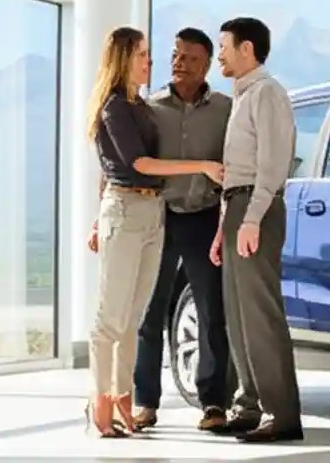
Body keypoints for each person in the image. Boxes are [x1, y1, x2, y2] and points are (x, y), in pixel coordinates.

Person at [83, 26, 224, 439]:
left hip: (154, 213)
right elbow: (137, 163)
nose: (155, 61)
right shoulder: (116, 106)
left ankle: (124, 397)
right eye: (144, 54)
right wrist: (201, 164)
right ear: (124, 58)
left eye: (149, 54)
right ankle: (102, 399)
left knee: (134, 317)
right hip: (129, 211)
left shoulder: (140, 106)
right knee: (114, 319)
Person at [204, 16, 304, 444]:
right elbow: (236, 173)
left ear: (247, 49)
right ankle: (248, 407)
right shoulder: (242, 96)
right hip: (235, 205)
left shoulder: (267, 93)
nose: (219, 54)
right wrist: (223, 226)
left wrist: (251, 218)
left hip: (256, 207)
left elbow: (273, 164)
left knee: (261, 315)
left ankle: (281, 415)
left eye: (224, 46)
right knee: (238, 316)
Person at [132, 28, 234, 432]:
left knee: (212, 313)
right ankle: (145, 402)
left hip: (204, 217)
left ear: (206, 64)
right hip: (157, 217)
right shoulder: (149, 107)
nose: (179, 63)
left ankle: (213, 403)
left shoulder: (225, 109)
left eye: (189, 57)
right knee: (149, 312)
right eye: (175, 55)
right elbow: (130, 162)